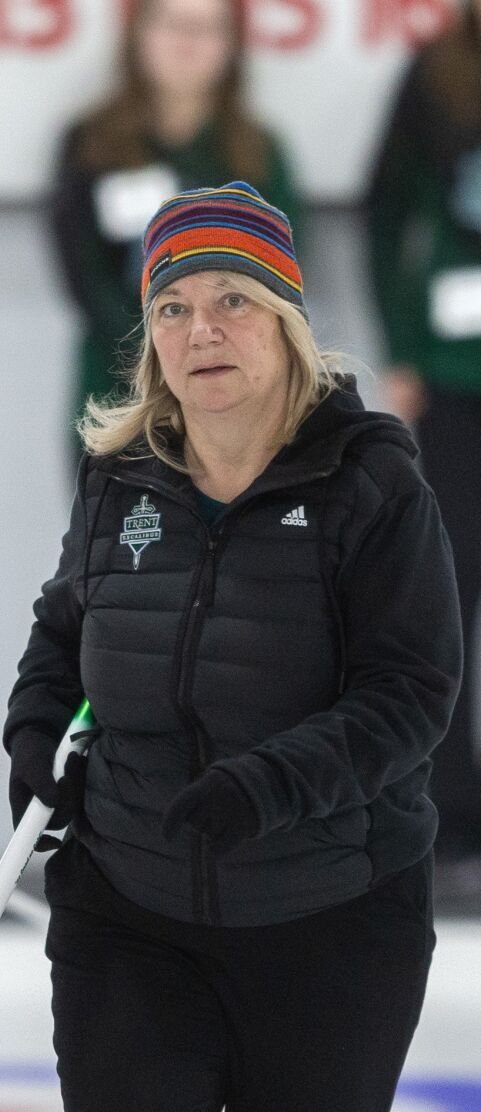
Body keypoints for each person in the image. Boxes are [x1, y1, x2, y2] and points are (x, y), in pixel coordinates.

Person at [5, 184, 460, 1112]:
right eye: (172, 308)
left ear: (286, 323)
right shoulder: (124, 481)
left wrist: (264, 789)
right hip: (132, 906)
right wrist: (32, 744)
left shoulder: (373, 479)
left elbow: (413, 696)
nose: (201, 333)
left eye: (231, 304)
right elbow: (60, 639)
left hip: (332, 912)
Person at [46, 0, 300, 442]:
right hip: (117, 384)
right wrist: (155, 351)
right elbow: (83, 273)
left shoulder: (258, 154)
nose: (187, 43)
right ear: (138, 33)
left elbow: (280, 279)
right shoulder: (91, 144)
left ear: (232, 44)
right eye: (172, 24)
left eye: (206, 29)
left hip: (230, 393)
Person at [366, 0, 481, 874]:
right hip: (452, 372)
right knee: (449, 586)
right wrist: (401, 346)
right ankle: (450, 801)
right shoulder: (436, 72)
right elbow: (386, 212)